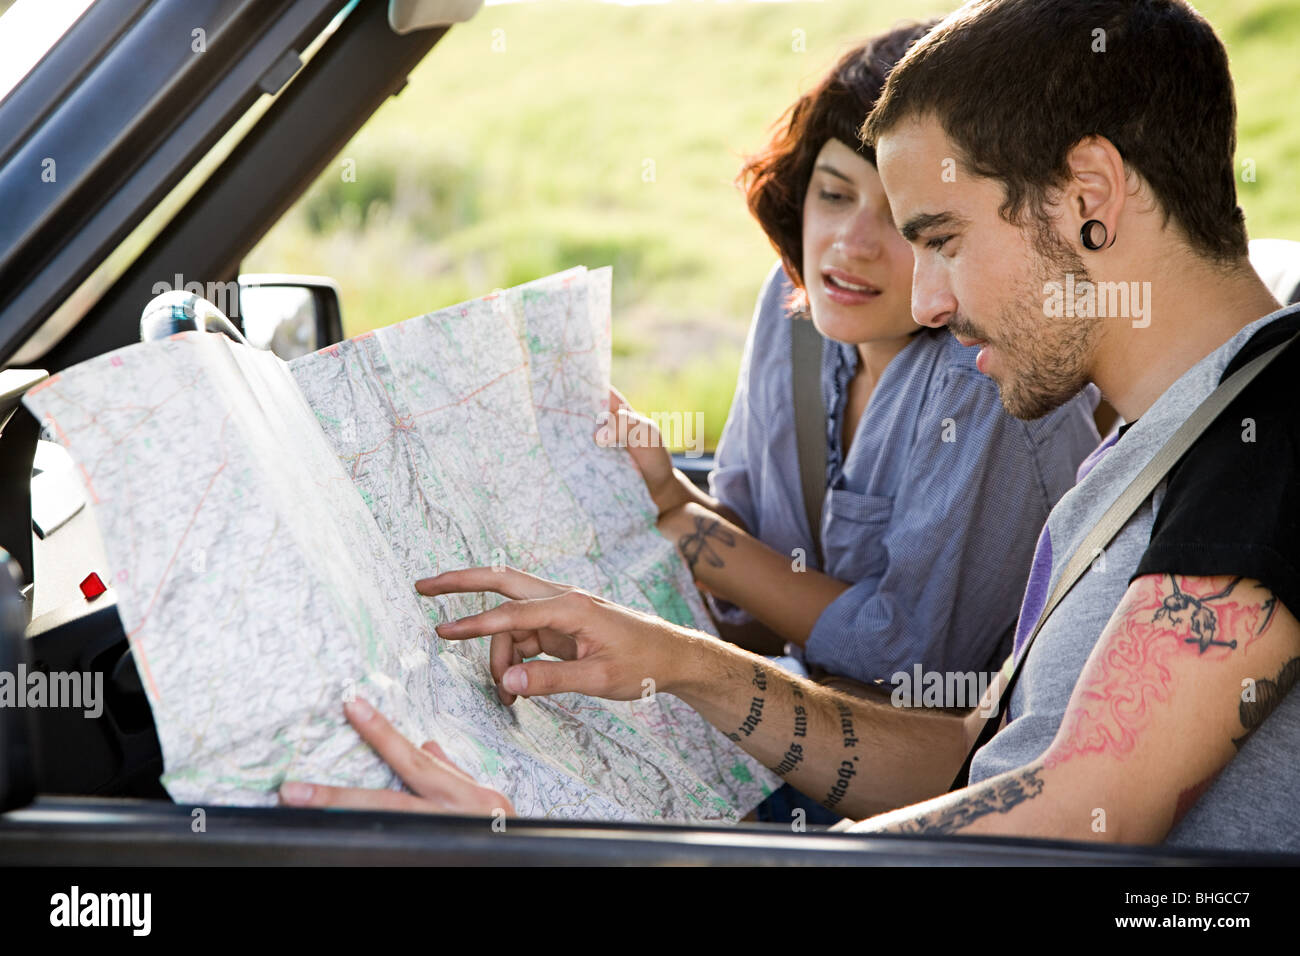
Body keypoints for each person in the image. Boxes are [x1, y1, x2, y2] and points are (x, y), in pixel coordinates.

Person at [282, 0, 1300, 850]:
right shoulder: (1154, 442)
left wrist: (581, 847)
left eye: (940, 239)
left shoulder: (1271, 429)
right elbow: (976, 763)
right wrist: (679, 660)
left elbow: (1083, 809)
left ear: (1089, 197)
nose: (932, 301)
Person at [600, 22, 1100, 689]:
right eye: (834, 195)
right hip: (799, 720)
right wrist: (666, 490)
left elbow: (911, 663)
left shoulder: (986, 377)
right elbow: (759, 584)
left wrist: (680, 522)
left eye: (901, 218)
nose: (851, 244)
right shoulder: (794, 308)